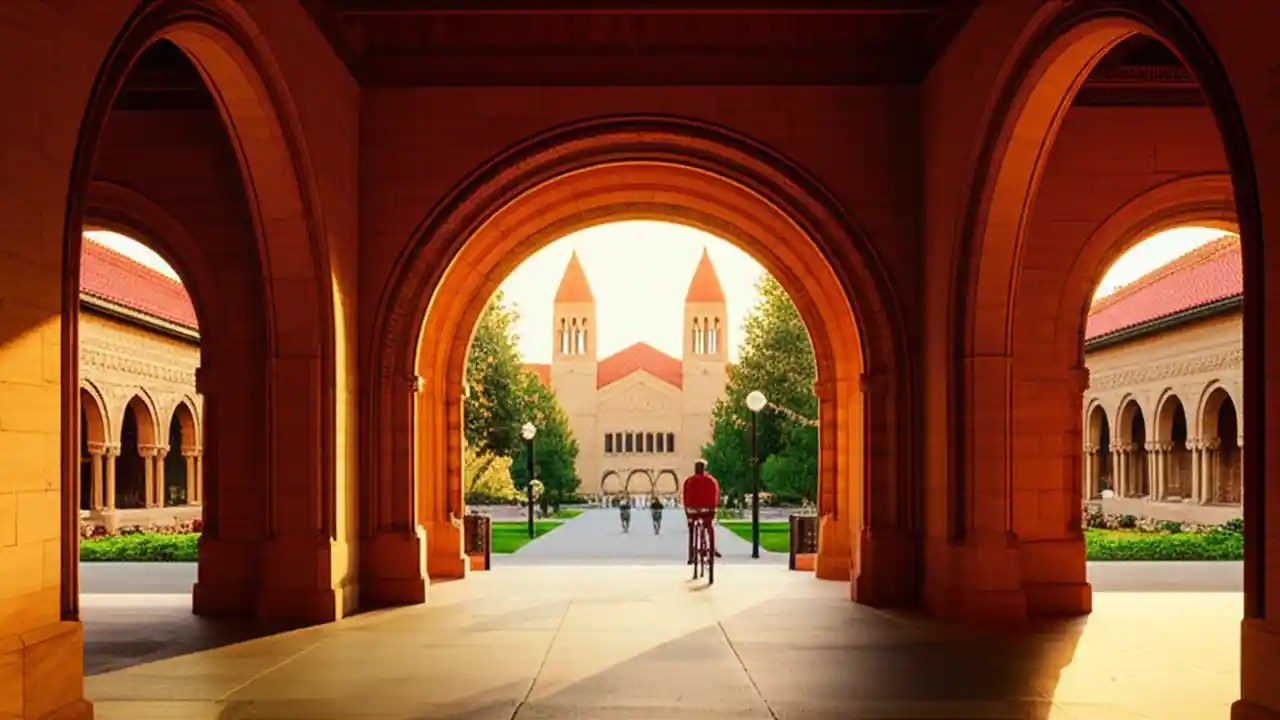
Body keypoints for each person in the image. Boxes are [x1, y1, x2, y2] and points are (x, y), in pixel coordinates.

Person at [682, 460, 721, 564]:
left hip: (693, 511)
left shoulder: (689, 481)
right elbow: (716, 497)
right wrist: (714, 508)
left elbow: (685, 498)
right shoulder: (712, 481)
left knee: (692, 530)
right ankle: (712, 549)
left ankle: (691, 556)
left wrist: (687, 514)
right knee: (709, 526)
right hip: (708, 511)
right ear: (705, 469)